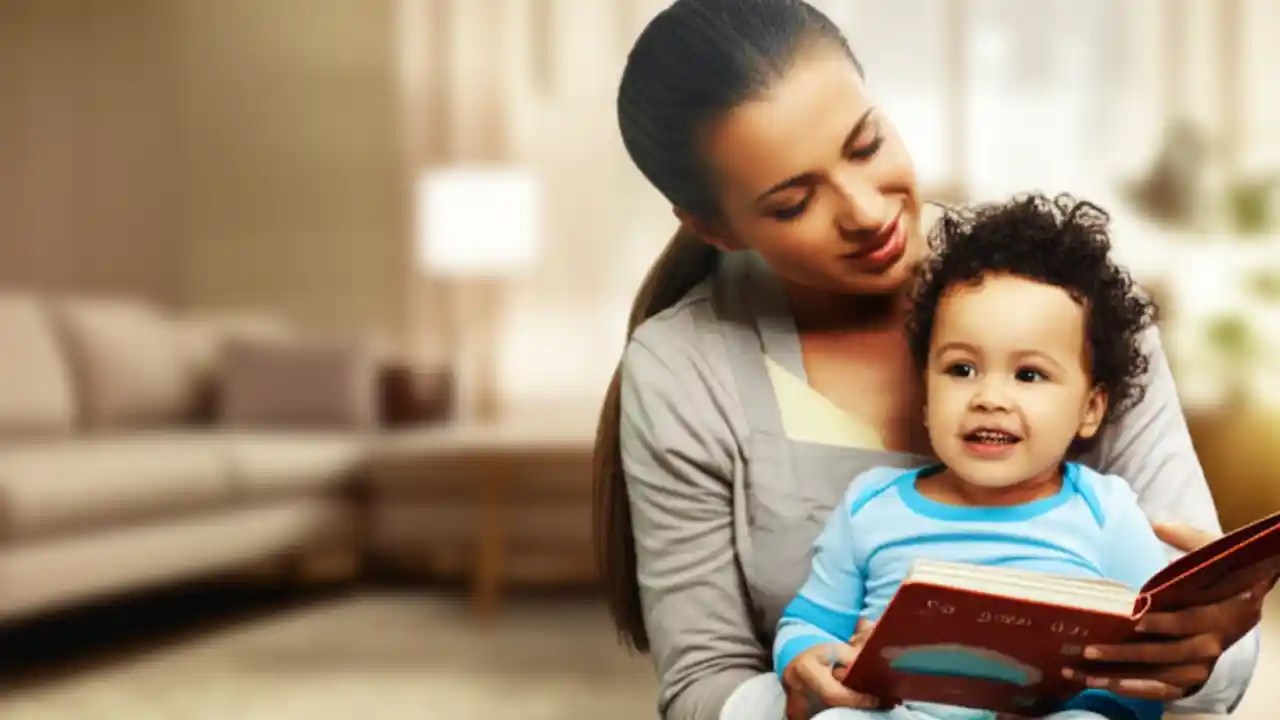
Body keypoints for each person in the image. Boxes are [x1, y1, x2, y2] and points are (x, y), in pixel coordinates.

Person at [591, 1, 1274, 718]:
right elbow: (701, 685)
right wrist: (820, 696)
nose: (863, 211)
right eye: (793, 202)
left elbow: (1215, 655)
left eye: (864, 145)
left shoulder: (1067, 295)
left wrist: (1208, 648)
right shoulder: (682, 370)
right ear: (715, 228)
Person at [774, 193, 1172, 720]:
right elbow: (808, 623)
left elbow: (1147, 674)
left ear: (1090, 409)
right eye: (961, 370)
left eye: (1029, 375)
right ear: (925, 391)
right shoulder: (872, 504)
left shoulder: (1106, 513)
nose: (988, 397)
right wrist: (811, 660)